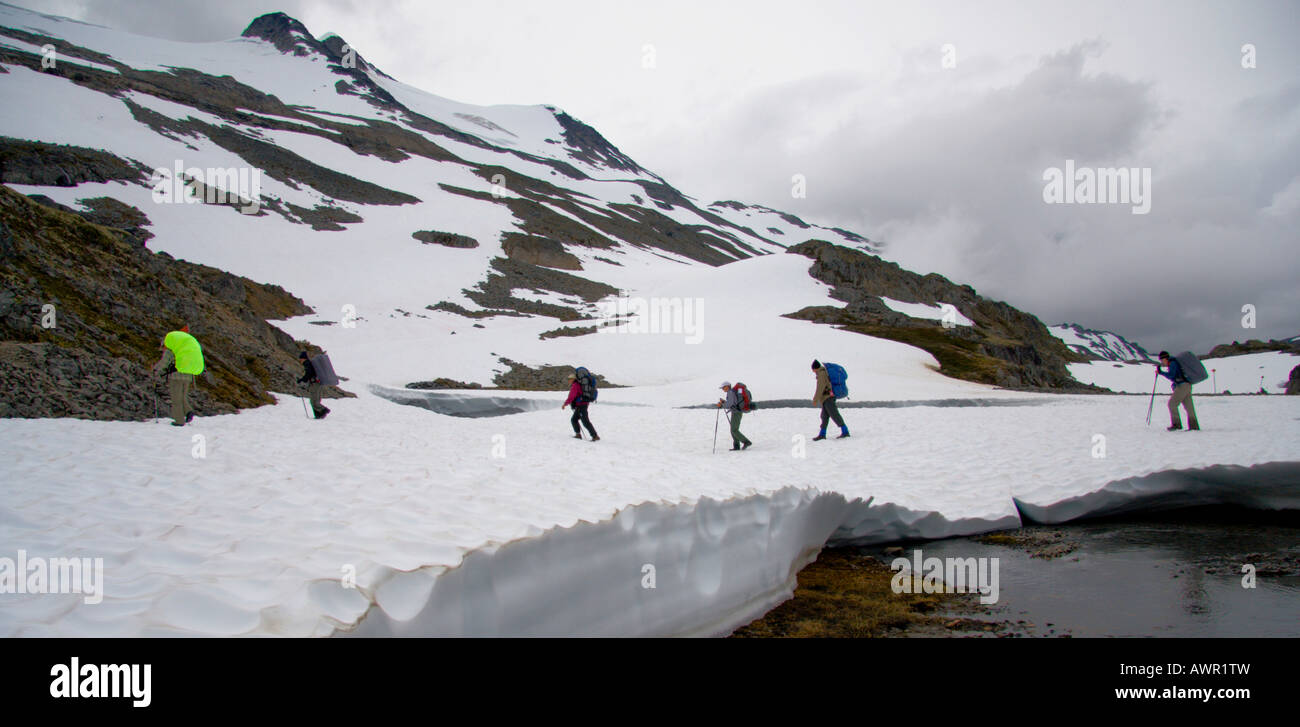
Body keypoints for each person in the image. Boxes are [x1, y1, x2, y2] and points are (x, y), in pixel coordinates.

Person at [151, 329, 204, 426]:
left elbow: (164, 363)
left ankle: (179, 421)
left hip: (176, 377)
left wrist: (156, 369)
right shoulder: (181, 350)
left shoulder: (171, 350)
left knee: (176, 399)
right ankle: (188, 411)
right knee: (183, 396)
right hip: (188, 375)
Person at [1156, 350, 1198, 431]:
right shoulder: (1174, 362)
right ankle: (1194, 426)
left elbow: (1172, 375)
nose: (1162, 362)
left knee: (1172, 404)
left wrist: (1161, 372)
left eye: (1161, 360)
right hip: (1187, 385)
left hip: (1182, 386)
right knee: (1189, 407)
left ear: (1165, 358)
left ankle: (1176, 424)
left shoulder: (1172, 363)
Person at [811, 360, 849, 440]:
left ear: (815, 368)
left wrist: (815, 399)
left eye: (813, 369)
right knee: (824, 416)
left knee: (834, 415)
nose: (813, 371)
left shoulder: (821, 374)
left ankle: (845, 431)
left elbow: (820, 388)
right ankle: (822, 434)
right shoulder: (822, 373)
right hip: (826, 398)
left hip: (828, 398)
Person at [562, 371, 599, 441]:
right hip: (582, 405)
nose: (569, 380)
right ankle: (578, 434)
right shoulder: (578, 384)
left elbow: (571, 396)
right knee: (574, 420)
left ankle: (595, 436)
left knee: (585, 421)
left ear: (573, 379)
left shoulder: (575, 385)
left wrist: (565, 404)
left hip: (581, 405)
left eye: (569, 379)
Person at [717, 382, 752, 451]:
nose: (723, 389)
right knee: (733, 429)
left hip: (736, 412)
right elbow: (732, 402)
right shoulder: (732, 392)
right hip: (736, 411)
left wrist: (721, 405)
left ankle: (746, 442)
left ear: (727, 386)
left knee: (734, 430)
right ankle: (736, 446)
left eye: (723, 387)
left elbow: (730, 404)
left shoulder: (730, 392)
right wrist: (724, 402)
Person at [298, 351, 330, 419]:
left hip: (315, 384)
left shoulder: (307, 363)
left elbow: (308, 374)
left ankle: (323, 410)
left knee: (313, 401)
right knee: (316, 400)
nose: (300, 360)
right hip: (319, 382)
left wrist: (302, 380)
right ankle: (318, 414)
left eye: (300, 358)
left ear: (303, 358)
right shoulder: (311, 363)